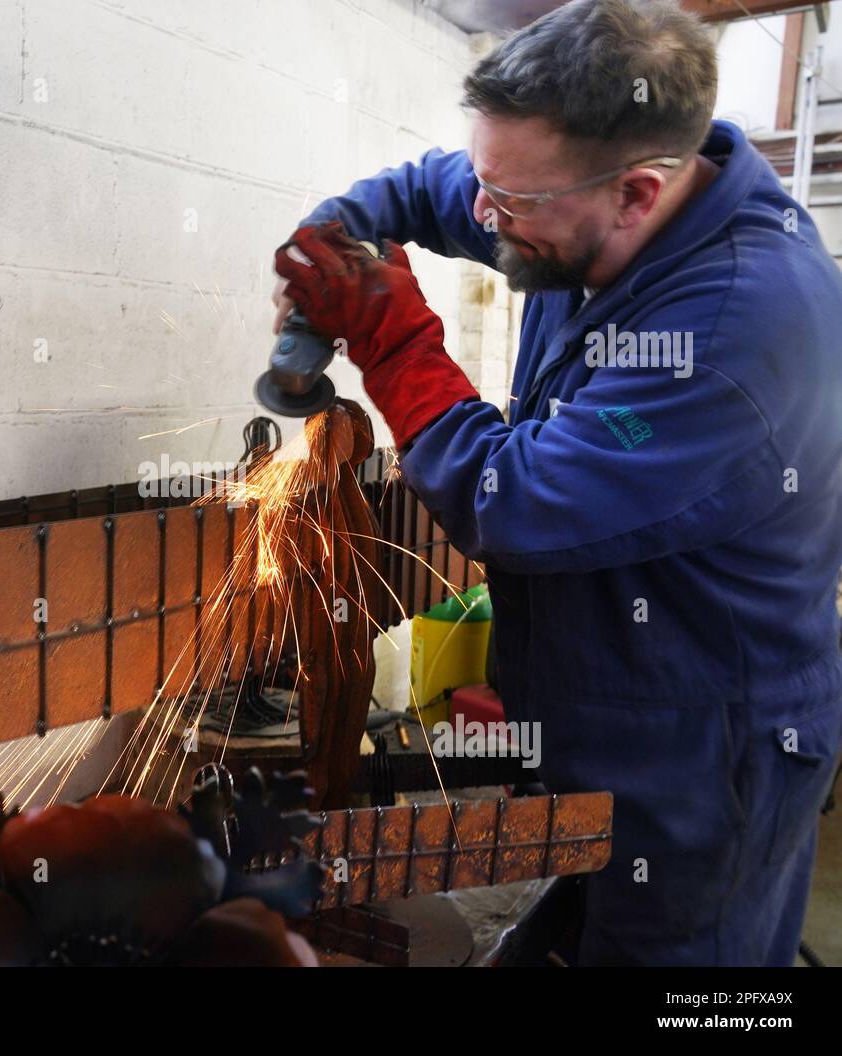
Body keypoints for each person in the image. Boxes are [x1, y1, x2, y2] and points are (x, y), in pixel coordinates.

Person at [272, 0, 842, 966]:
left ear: (637, 193)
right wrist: (342, 230)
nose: (484, 214)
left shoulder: (739, 326)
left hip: (704, 751)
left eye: (512, 202)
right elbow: (440, 188)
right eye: (487, 180)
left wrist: (388, 331)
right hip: (600, 710)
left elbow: (514, 501)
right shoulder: (566, 192)